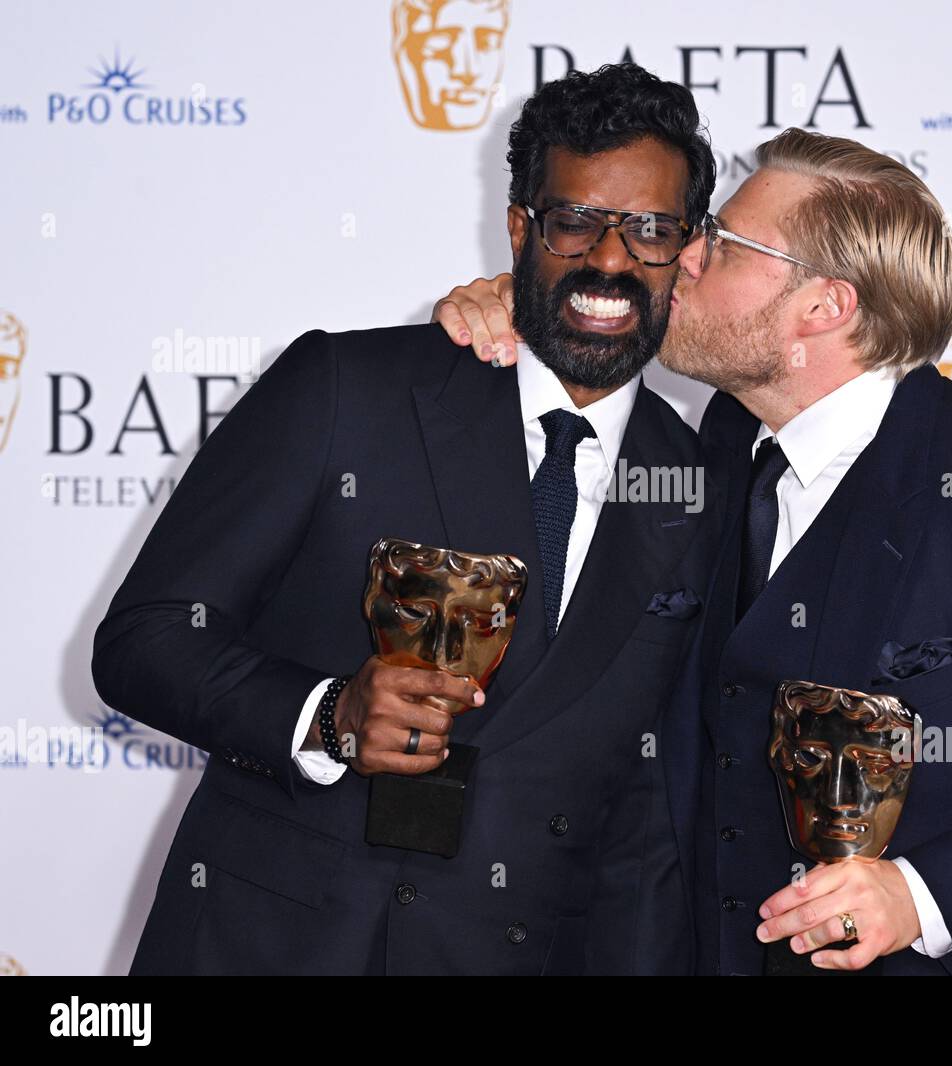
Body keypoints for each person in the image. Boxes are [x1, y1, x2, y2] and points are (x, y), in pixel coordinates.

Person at [433, 127, 952, 975]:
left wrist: (920, 896)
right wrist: (529, 315)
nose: (684, 257)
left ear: (825, 306)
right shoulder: (720, 444)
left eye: (719, 242)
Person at [92, 62, 718, 975]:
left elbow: (649, 818)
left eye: (650, 230)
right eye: (575, 220)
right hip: (285, 946)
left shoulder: (697, 483)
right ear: (520, 228)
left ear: (689, 251)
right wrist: (327, 715)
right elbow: (144, 641)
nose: (611, 260)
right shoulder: (348, 389)